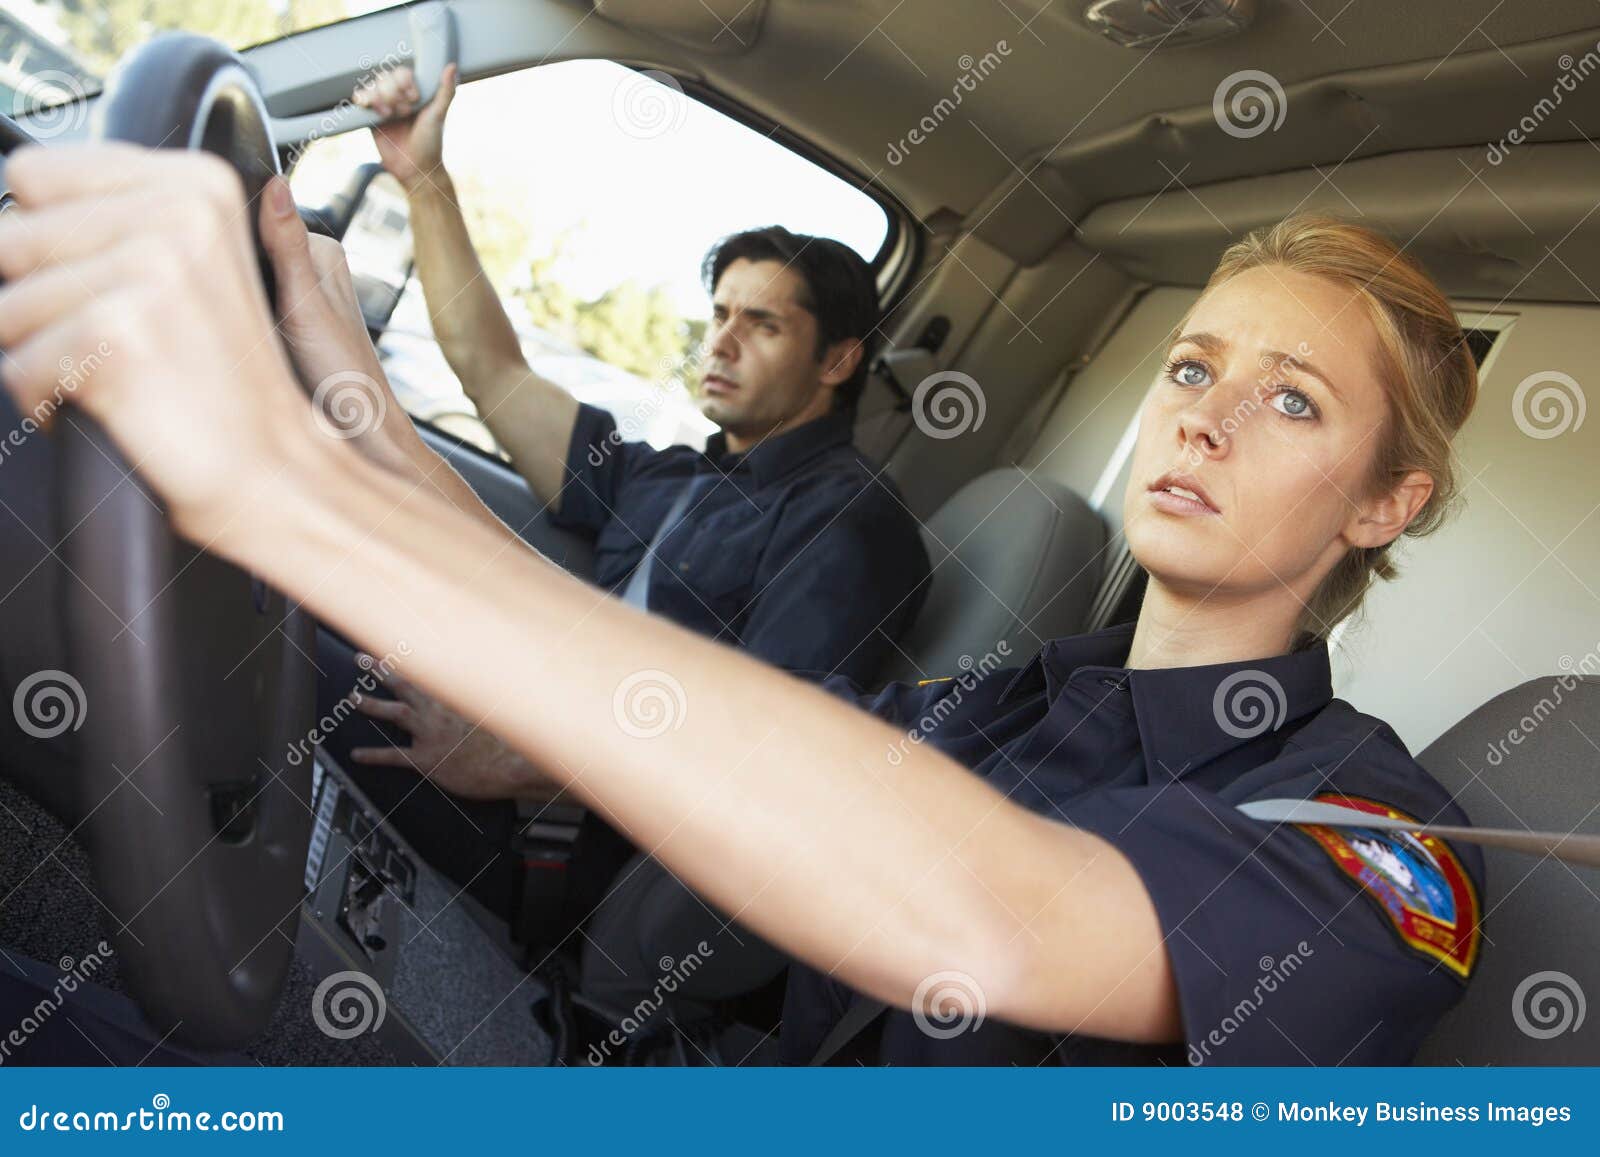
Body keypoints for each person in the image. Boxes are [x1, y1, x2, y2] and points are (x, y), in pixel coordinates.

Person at [0, 143, 1483, 1065]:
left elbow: (997, 919)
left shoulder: (1377, 843)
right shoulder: (1031, 696)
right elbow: (680, 705)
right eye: (1192, 366)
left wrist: (288, 495)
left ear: (1383, 504)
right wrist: (335, 378)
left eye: (1290, 401)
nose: (1207, 418)